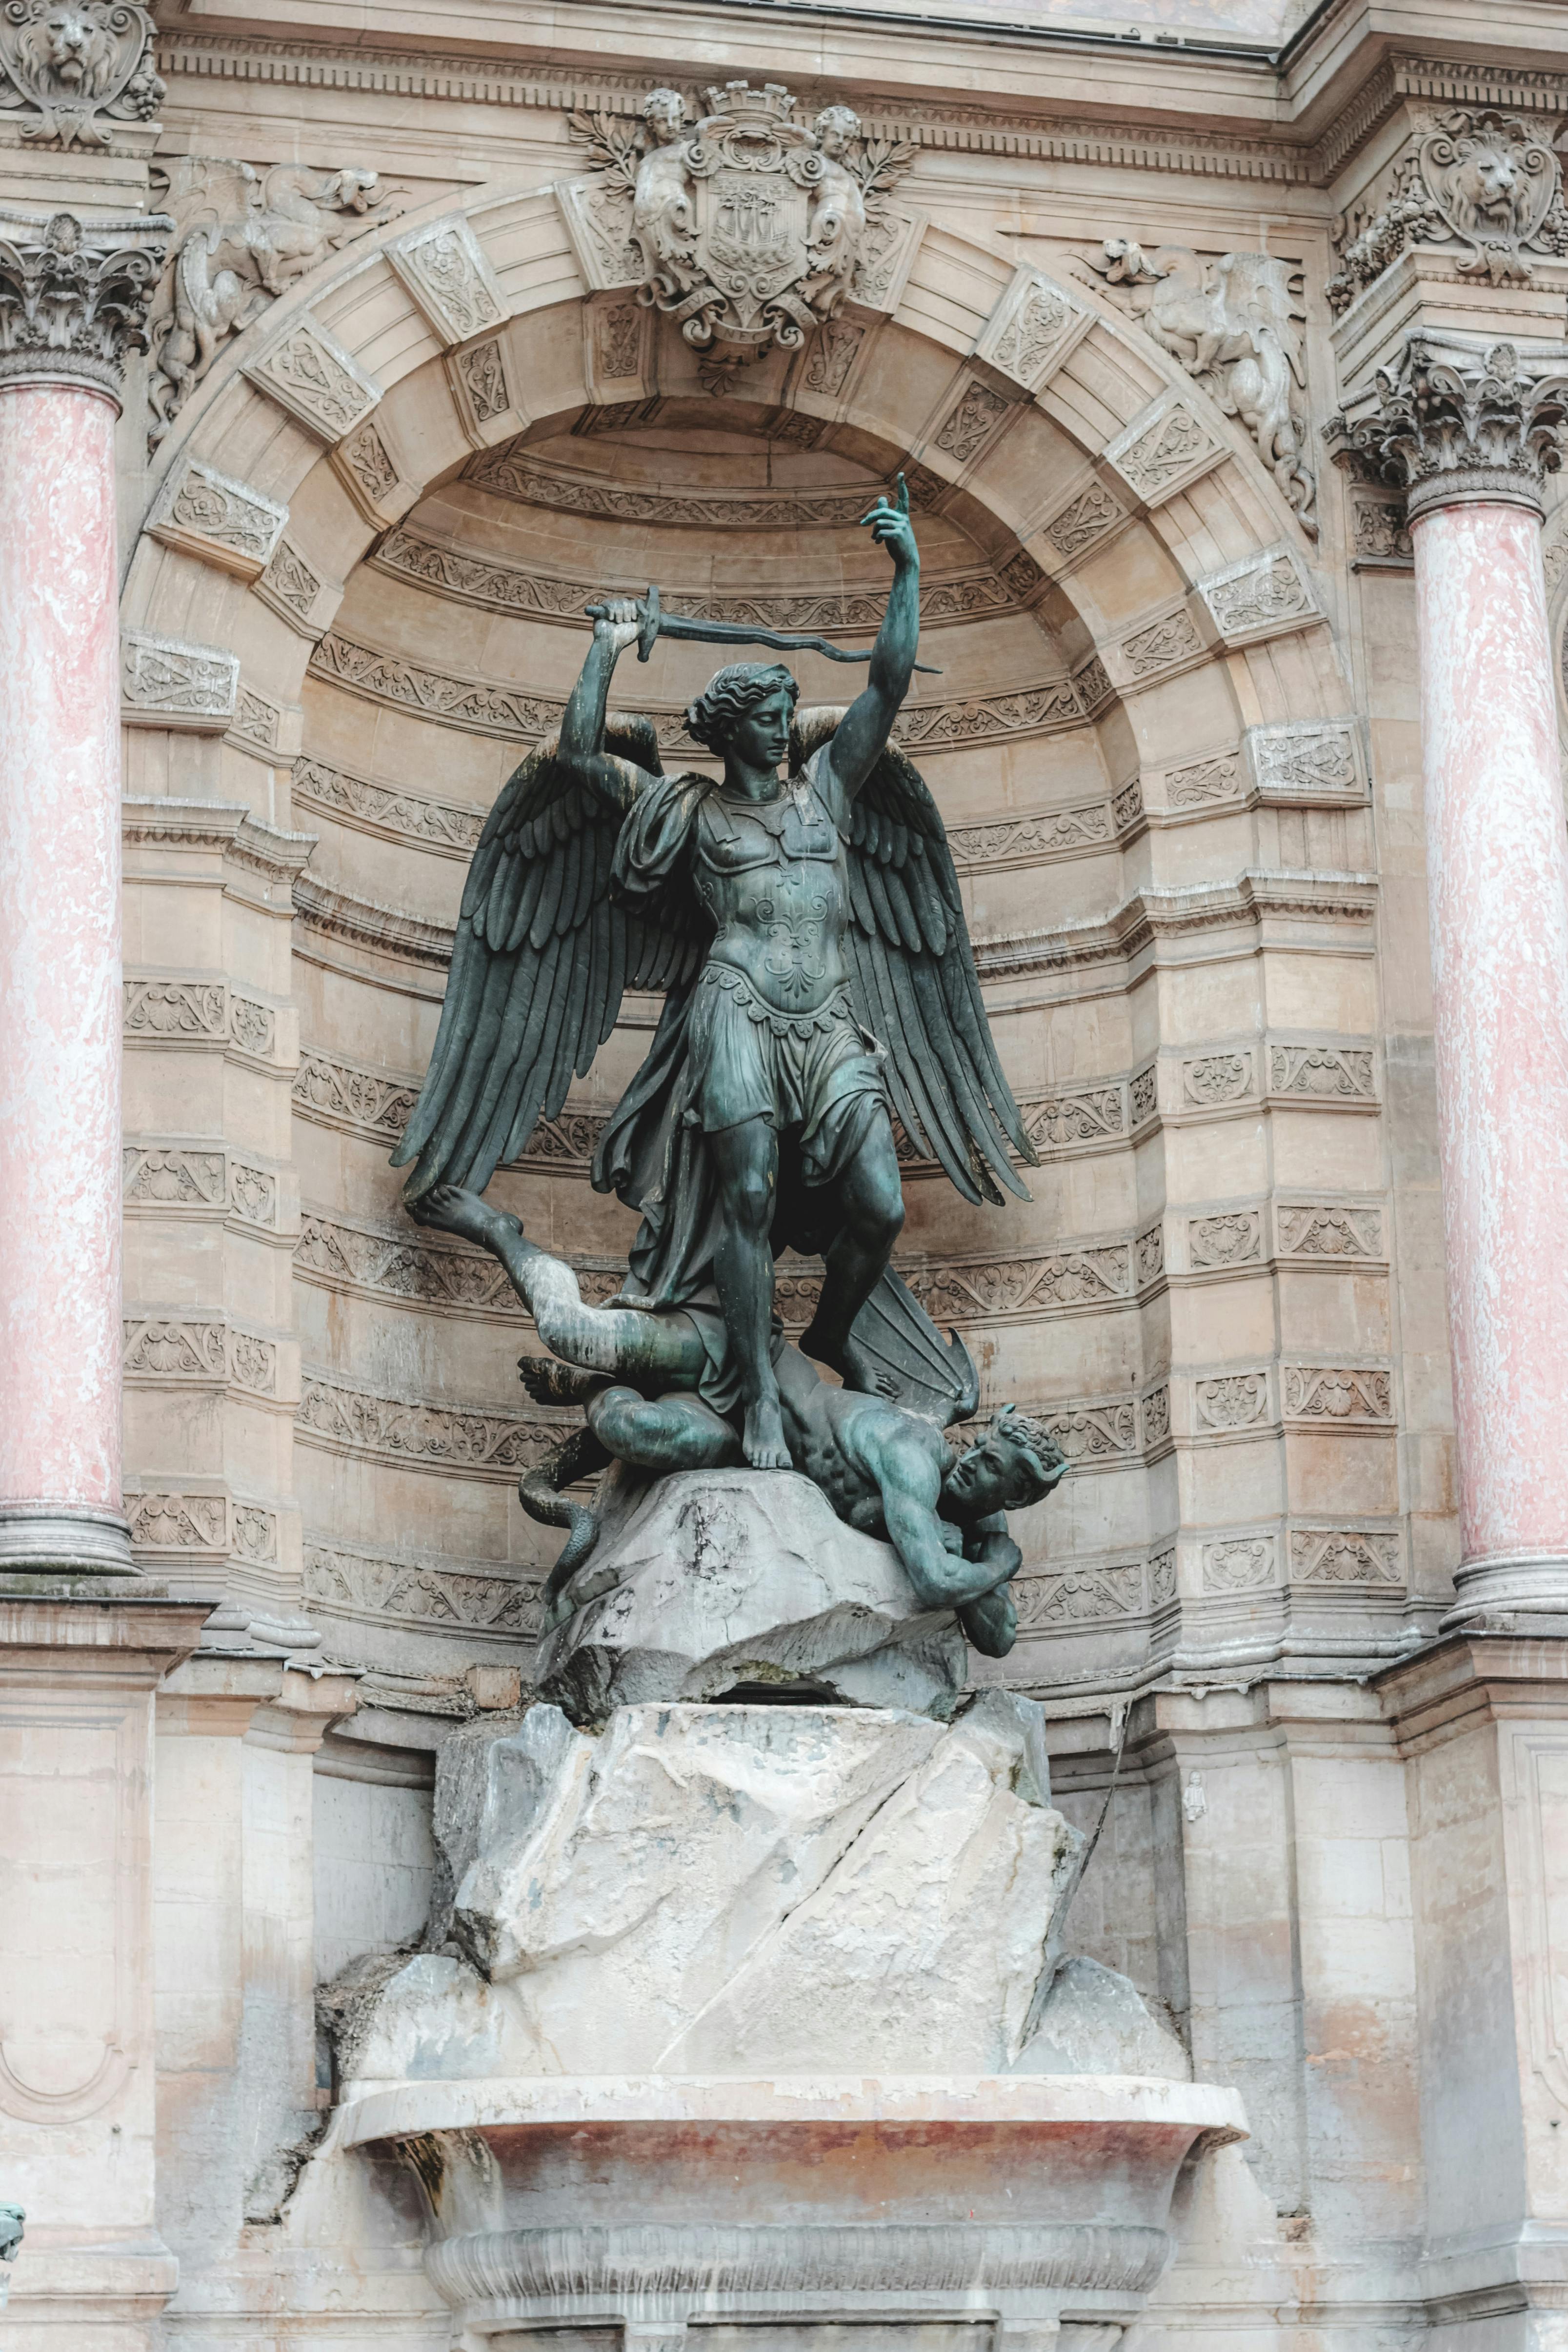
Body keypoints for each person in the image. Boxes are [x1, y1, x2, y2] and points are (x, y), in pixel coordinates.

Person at [549, 478, 922, 1470]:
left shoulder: (829, 790)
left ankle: (831, 1333)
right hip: (735, 1011)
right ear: (729, 728)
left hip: (827, 1021)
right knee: (746, 1193)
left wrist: (906, 571)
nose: (781, 723)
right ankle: (757, 1396)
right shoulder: (689, 813)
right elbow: (580, 753)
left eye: (786, 709)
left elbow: (888, 683)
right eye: (765, 712)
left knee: (880, 1204)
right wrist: (606, 645)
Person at [416, 1185, 1067, 1656]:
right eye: (980, 1451)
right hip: (736, 1358)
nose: (973, 1466)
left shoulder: (972, 1517)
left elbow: (998, 1639)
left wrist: (988, 1545)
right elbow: (932, 1579)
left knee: (626, 1431)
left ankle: (598, 1390)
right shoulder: (912, 1457)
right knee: (569, 1329)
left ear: (1010, 1495)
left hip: (735, 1446)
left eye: (990, 1473)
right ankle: (501, 1231)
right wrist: (1000, 1563)